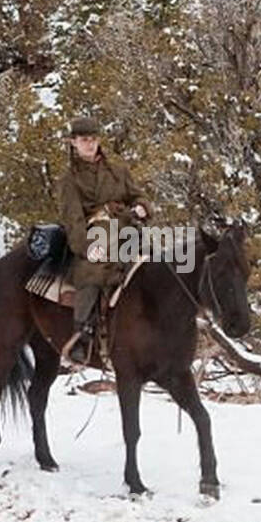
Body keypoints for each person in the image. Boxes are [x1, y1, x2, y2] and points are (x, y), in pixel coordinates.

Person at [56, 115, 152, 363]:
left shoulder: (118, 170)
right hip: (93, 235)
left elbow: (138, 196)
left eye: (93, 139)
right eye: (84, 140)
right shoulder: (69, 181)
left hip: (127, 228)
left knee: (155, 264)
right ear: (73, 143)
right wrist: (88, 249)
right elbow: (73, 221)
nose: (90, 144)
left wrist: (142, 207)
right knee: (92, 272)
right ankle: (83, 334)